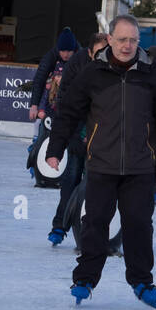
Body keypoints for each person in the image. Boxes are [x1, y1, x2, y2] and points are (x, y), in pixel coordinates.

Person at [47, 15, 156, 308]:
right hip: (101, 164)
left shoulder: (152, 73)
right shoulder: (92, 74)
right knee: (94, 224)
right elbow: (68, 112)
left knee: (139, 225)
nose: (127, 45)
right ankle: (85, 279)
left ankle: (142, 281)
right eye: (121, 39)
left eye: (133, 40)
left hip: (141, 166)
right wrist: (55, 148)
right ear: (109, 40)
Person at [46, 33, 107, 246]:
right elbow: (64, 103)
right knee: (70, 180)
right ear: (89, 53)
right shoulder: (77, 65)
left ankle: (88, 232)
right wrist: (66, 139)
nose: (103, 56)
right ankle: (59, 226)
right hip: (76, 128)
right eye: (99, 52)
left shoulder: (113, 67)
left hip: (99, 135)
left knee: (93, 186)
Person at [29, 27, 78, 124]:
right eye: (62, 51)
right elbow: (39, 79)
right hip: (52, 102)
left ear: (74, 50)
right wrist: (34, 105)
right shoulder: (51, 56)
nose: (65, 54)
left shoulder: (80, 56)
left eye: (69, 51)